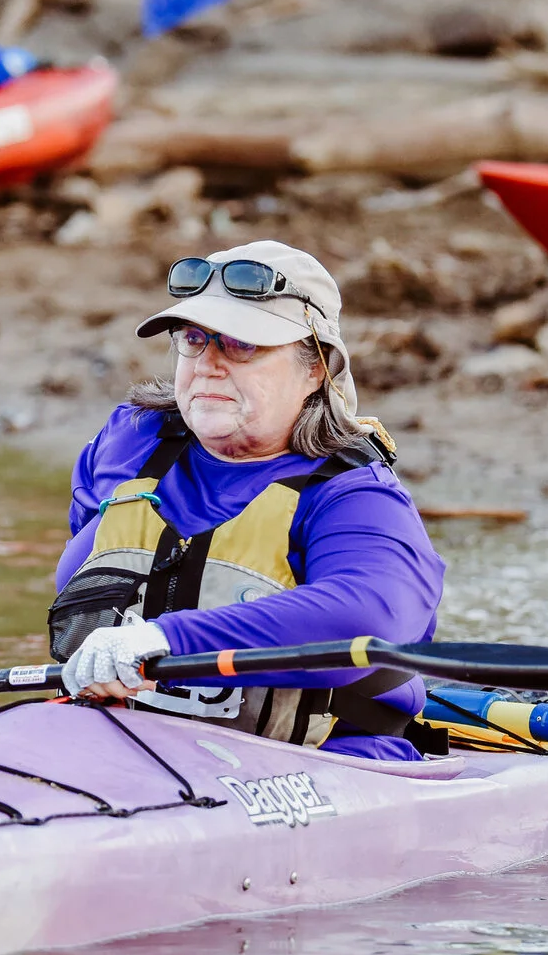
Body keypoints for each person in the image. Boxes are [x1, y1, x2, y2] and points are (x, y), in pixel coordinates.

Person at [51, 241, 448, 760]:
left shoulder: (356, 495)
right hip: (127, 744)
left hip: (321, 762)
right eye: (194, 340)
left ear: (316, 368)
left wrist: (167, 639)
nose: (209, 365)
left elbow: (373, 617)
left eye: (241, 345)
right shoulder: (129, 444)